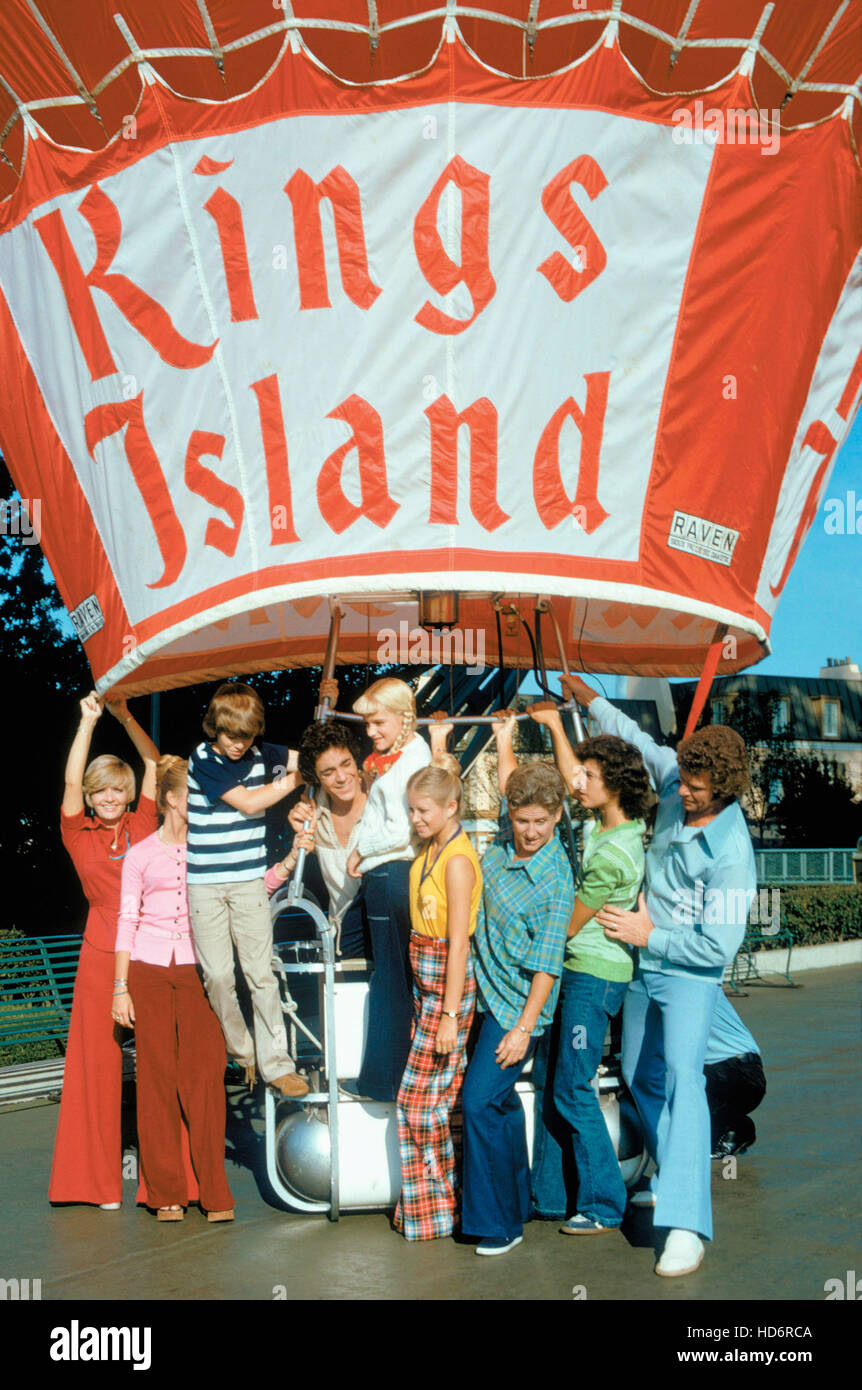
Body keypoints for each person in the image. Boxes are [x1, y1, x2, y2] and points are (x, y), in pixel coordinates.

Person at [561, 672, 756, 1277]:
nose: (685, 795)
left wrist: (652, 934)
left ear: (723, 790)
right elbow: (637, 739)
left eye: (697, 790)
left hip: (688, 974)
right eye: (685, 785)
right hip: (643, 966)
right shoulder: (676, 778)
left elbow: (717, 946)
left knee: (682, 1084)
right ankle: (672, 1173)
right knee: (642, 1081)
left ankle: (686, 1227)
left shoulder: (732, 852)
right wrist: (588, 699)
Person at [528, 730, 650, 1234]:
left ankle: (602, 1205)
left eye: (591, 777)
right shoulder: (617, 828)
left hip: (591, 977)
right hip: (585, 972)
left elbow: (570, 924)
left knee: (573, 1088)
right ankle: (552, 1197)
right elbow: (574, 774)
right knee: (551, 1084)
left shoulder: (610, 855)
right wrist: (557, 728)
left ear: (615, 786)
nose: (579, 783)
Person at [461, 759, 575, 1256]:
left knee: (479, 1101)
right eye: (522, 820)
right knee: (504, 1107)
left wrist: (523, 1029)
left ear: (557, 817)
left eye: (541, 822)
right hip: (478, 993)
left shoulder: (556, 879)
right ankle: (517, 1204)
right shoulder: (500, 847)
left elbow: (548, 965)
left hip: (515, 1009)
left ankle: (498, 1225)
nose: (530, 832)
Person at [50, 693, 160, 1208]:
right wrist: (88, 722)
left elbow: (156, 761)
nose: (109, 797)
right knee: (95, 1067)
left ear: (128, 791)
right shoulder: (79, 833)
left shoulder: (144, 825)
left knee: (161, 1062)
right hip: (99, 953)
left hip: (152, 948)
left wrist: (124, 716)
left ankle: (165, 1182)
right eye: (101, 791)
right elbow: (71, 781)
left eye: (118, 789)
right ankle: (94, 1185)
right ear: (91, 797)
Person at [113, 758, 234, 1222]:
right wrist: (119, 988)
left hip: (199, 971)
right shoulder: (141, 854)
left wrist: (285, 865)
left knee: (204, 1080)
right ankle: (165, 1192)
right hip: (147, 969)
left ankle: (215, 1193)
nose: (201, 803)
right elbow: (127, 920)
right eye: (193, 795)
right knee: (157, 1082)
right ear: (170, 799)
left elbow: (246, 890)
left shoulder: (211, 847)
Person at [186, 682, 308, 1099]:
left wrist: (309, 775)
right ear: (214, 729)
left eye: (246, 736)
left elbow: (309, 759)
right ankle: (243, 1052)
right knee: (219, 975)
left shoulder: (264, 754)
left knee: (261, 975)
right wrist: (296, 779)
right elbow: (252, 803)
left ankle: (277, 1064)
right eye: (230, 735)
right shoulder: (203, 759)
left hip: (248, 881)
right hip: (205, 884)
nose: (238, 745)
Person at [393, 754, 482, 1241]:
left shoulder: (458, 861)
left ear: (452, 807)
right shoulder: (429, 850)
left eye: (424, 810)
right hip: (426, 989)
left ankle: (439, 1207)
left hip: (448, 989)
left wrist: (449, 1014)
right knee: (431, 1105)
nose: (416, 818)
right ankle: (429, 1209)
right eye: (412, 810)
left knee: (419, 1104)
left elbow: (459, 945)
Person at [343, 678, 431, 1101]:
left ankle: (383, 1080)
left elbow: (403, 828)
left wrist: (359, 850)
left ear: (403, 716)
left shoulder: (412, 762)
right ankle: (389, 1073)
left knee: (390, 977)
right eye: (368, 724)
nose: (372, 732)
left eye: (378, 722)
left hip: (391, 870)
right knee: (359, 953)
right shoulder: (401, 757)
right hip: (384, 873)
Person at [275, 714, 370, 959]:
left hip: (387, 923)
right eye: (328, 772)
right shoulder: (314, 813)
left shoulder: (380, 797)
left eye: (346, 764)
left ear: (356, 760)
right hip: (346, 937)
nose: (341, 777)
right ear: (316, 777)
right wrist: (303, 832)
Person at [705, 992, 766, 1158]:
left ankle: (735, 1126)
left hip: (735, 1073)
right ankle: (729, 1126)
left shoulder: (686, 985)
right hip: (741, 1071)